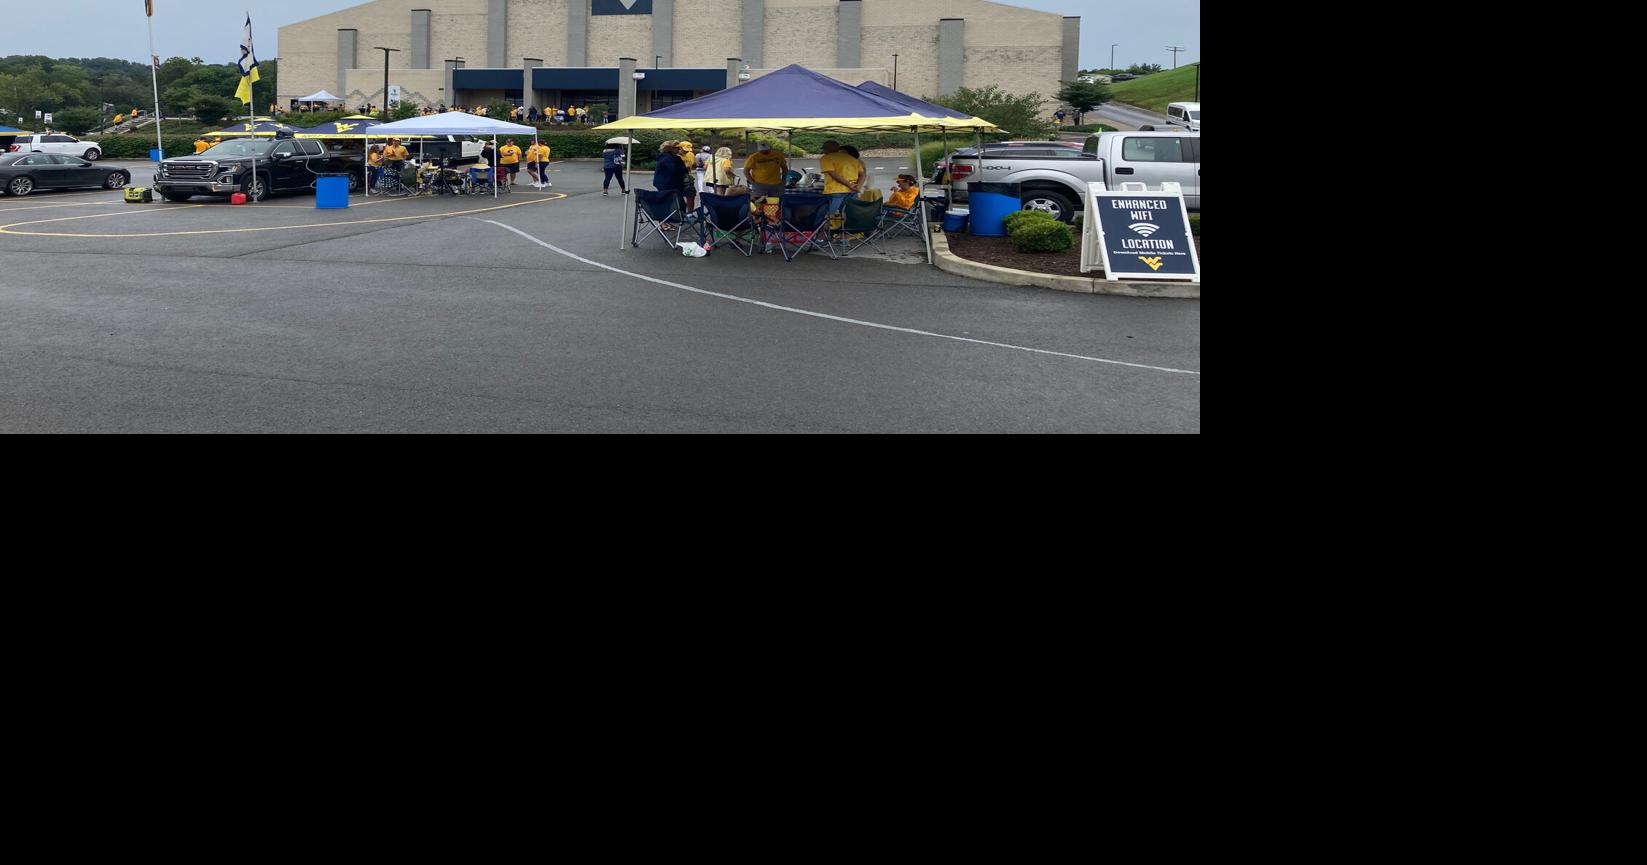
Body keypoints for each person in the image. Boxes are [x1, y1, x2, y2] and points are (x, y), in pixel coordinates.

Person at [818, 139, 862, 219]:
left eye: (824, 149)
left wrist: (849, 185)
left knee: (829, 215)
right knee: (847, 214)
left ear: (827, 149)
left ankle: (824, 231)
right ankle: (844, 230)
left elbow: (834, 175)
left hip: (835, 190)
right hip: (852, 191)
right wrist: (858, 186)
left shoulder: (826, 158)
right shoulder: (852, 158)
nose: (823, 151)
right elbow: (862, 174)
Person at [653, 141, 687, 226]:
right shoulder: (673, 158)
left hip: (660, 183)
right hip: (671, 184)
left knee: (664, 202)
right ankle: (667, 221)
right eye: (678, 148)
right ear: (671, 148)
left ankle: (664, 221)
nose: (680, 149)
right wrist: (685, 168)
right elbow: (676, 170)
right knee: (677, 203)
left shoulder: (661, 157)